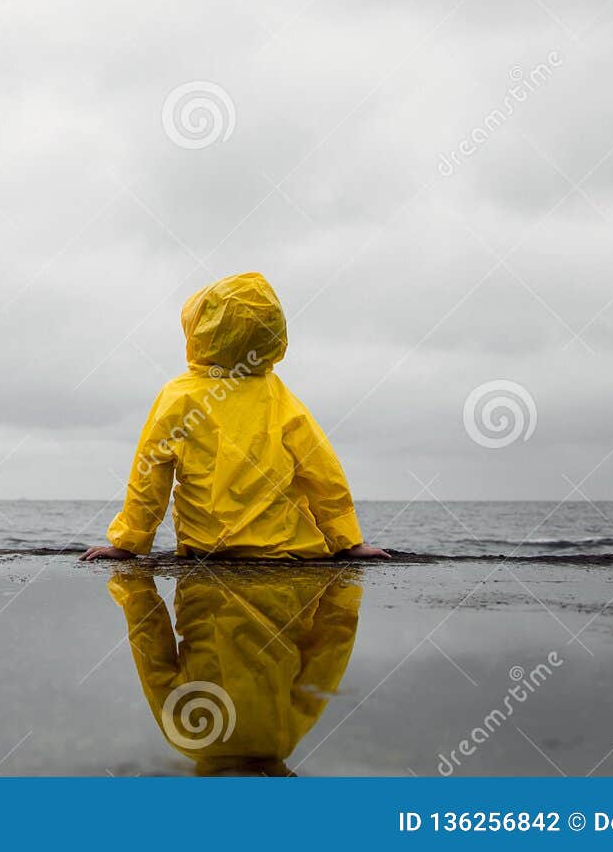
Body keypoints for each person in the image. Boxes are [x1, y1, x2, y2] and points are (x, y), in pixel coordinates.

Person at [80, 271, 389, 561]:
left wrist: (128, 542)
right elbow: (322, 472)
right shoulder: (280, 398)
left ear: (201, 329)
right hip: (287, 551)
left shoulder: (178, 396)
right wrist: (348, 541)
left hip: (207, 550)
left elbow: (150, 474)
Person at [108, 568, 362, 775]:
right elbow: (149, 639)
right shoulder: (185, 733)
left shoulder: (284, 732)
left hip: (249, 565)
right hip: (231, 565)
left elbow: (330, 648)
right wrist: (131, 583)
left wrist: (346, 588)